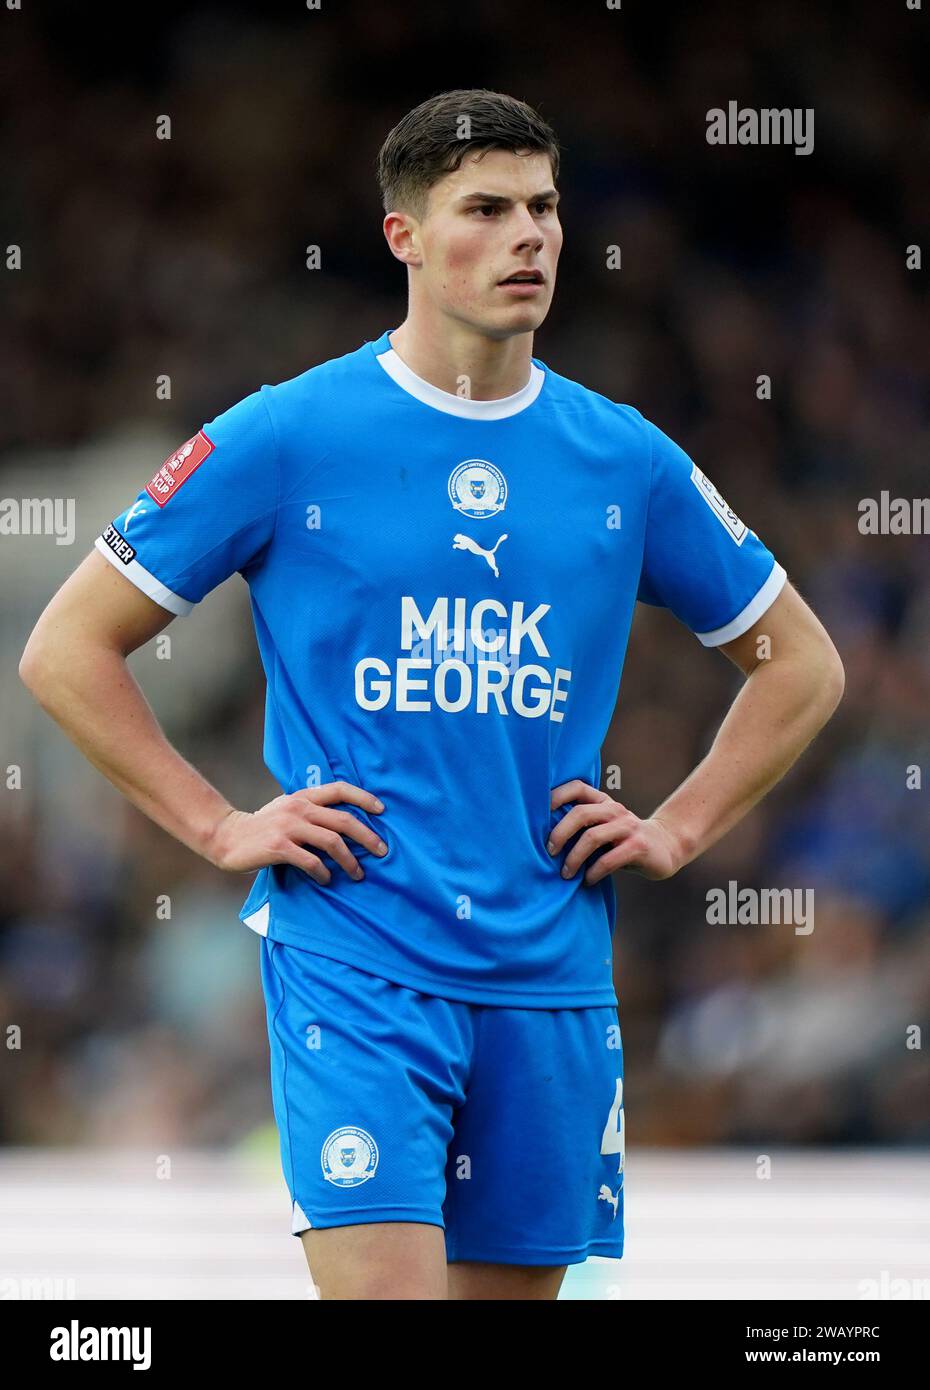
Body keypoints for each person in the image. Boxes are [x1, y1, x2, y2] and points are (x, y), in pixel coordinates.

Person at [19, 88, 845, 1301]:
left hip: (550, 971)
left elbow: (805, 663)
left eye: (547, 208)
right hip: (359, 955)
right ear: (405, 235)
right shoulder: (286, 434)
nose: (531, 236)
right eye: (488, 209)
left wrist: (678, 825)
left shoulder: (625, 458)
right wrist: (220, 824)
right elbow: (66, 647)